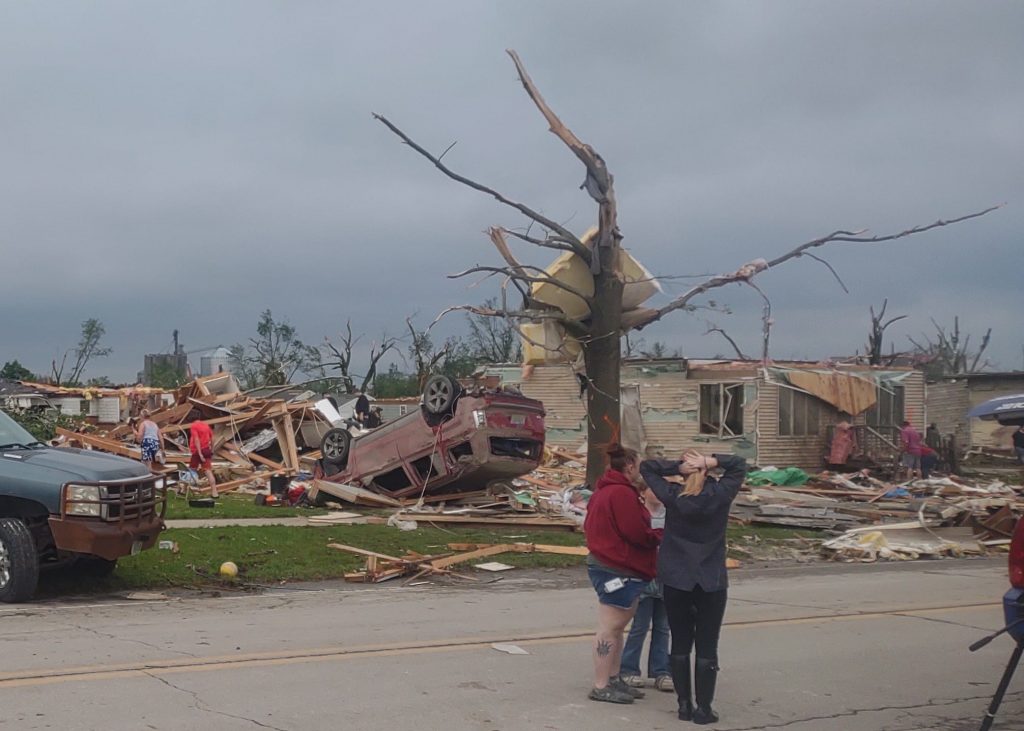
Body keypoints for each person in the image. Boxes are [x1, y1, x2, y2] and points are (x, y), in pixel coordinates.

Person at [640, 450, 748, 724]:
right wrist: (710, 461)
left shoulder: (674, 496)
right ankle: (704, 708)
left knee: (680, 642)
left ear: (686, 475)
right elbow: (738, 464)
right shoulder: (721, 494)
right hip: (710, 578)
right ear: (709, 473)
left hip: (677, 577)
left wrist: (679, 466)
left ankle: (683, 704)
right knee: (707, 645)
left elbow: (648, 467)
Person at [583, 443, 663, 705]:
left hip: (612, 564)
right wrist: (660, 536)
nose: (640, 470)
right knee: (609, 628)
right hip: (616, 567)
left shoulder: (605, 491)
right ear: (629, 466)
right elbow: (636, 532)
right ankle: (601, 684)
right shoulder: (621, 494)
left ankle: (614, 677)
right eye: (638, 465)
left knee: (617, 628)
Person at [620, 488, 673, 693]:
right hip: (643, 578)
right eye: (655, 488)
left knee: (663, 627)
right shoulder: (639, 514)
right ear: (643, 492)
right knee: (639, 627)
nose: (659, 492)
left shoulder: (671, 514)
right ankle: (628, 669)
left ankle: (661, 671)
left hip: (666, 578)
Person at [188, 410, 217, 498]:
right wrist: (212, 449)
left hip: (197, 452)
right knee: (208, 471)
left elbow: (196, 440)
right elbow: (212, 439)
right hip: (207, 450)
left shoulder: (194, 426)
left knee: (191, 470)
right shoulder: (206, 425)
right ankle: (215, 492)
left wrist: (200, 453)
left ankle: (184, 490)